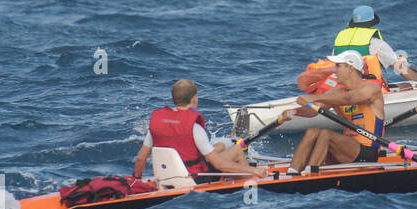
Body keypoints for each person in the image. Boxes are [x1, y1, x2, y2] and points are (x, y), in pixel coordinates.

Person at [132, 79, 266, 179]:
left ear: (173, 99)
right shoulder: (194, 127)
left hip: (166, 175)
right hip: (195, 178)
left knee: (219, 146)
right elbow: (219, 165)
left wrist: (136, 179)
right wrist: (253, 171)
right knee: (237, 150)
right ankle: (249, 182)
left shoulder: (157, 123)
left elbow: (141, 158)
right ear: (194, 99)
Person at [287, 51, 385, 173]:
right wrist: (294, 112)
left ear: (350, 68)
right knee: (312, 132)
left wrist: (314, 97)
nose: (334, 70)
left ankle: (310, 173)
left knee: (326, 134)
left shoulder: (372, 89)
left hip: (368, 153)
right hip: (345, 151)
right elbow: (313, 111)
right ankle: (292, 172)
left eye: (338, 66)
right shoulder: (335, 93)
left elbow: (349, 99)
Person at [331, 4, 406, 80]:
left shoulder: (339, 42)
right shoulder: (377, 44)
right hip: (368, 87)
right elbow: (400, 69)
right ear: (372, 22)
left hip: (342, 86)